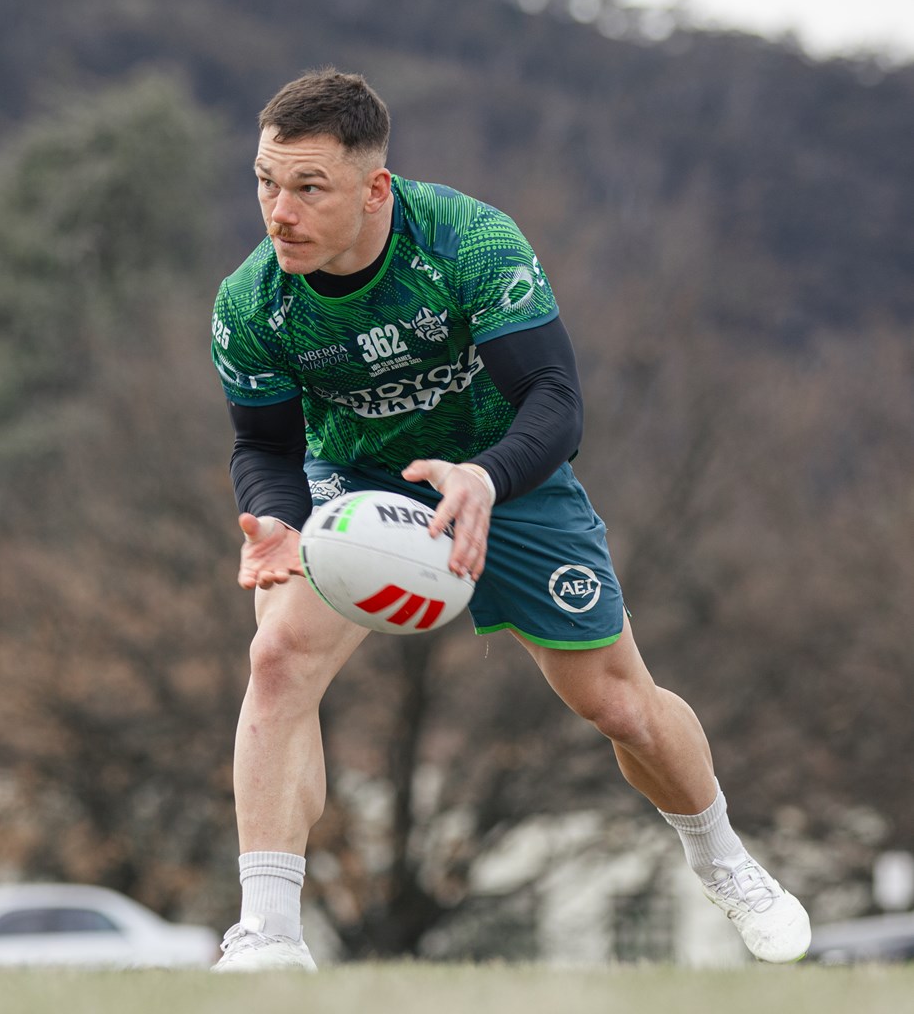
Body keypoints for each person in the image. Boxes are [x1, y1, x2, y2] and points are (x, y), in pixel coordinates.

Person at [209, 68, 811, 971]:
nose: (278, 211)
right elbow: (261, 444)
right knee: (277, 656)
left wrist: (486, 480)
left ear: (375, 188)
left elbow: (555, 399)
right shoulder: (253, 303)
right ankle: (268, 931)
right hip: (359, 487)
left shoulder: (467, 243)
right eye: (265, 181)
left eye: (307, 188)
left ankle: (721, 857)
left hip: (507, 475)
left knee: (619, 707)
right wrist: (275, 520)